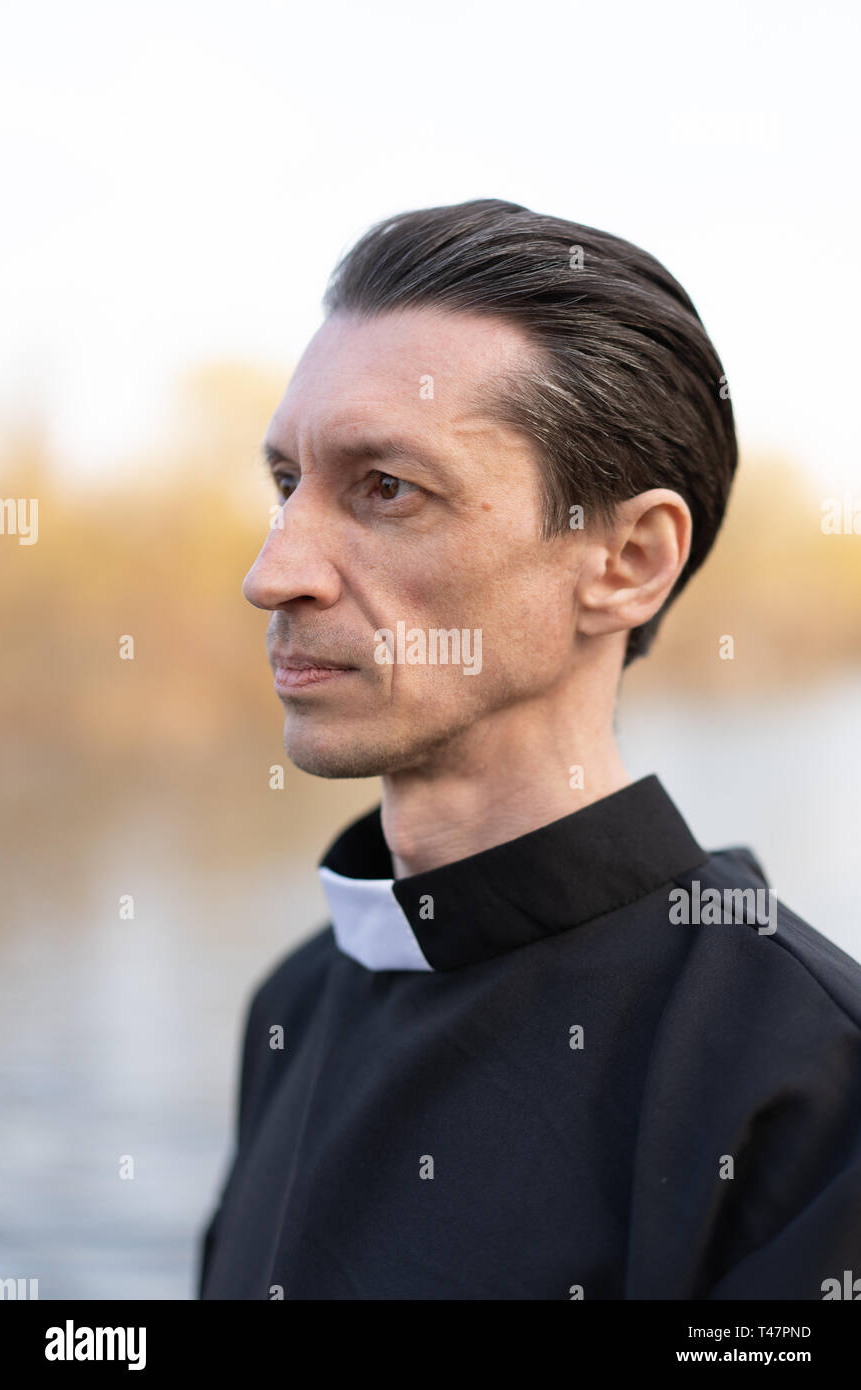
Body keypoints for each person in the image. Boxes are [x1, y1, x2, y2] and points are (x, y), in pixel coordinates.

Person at [197, 198, 861, 1300]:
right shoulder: (296, 1003)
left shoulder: (805, 1085)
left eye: (385, 488)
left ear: (627, 561)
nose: (274, 573)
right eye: (285, 484)